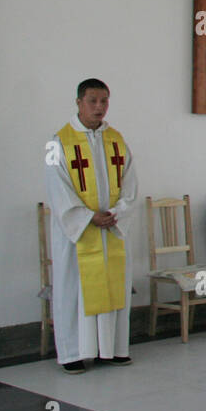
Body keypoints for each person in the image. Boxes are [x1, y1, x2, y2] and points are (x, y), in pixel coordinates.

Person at [45, 78, 138, 373]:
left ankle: (110, 350)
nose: (99, 107)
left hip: (111, 229)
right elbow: (57, 189)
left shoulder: (117, 140)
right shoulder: (58, 142)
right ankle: (73, 353)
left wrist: (116, 212)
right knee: (74, 291)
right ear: (78, 102)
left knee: (113, 287)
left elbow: (131, 184)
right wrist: (87, 217)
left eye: (104, 101)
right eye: (93, 101)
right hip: (78, 234)